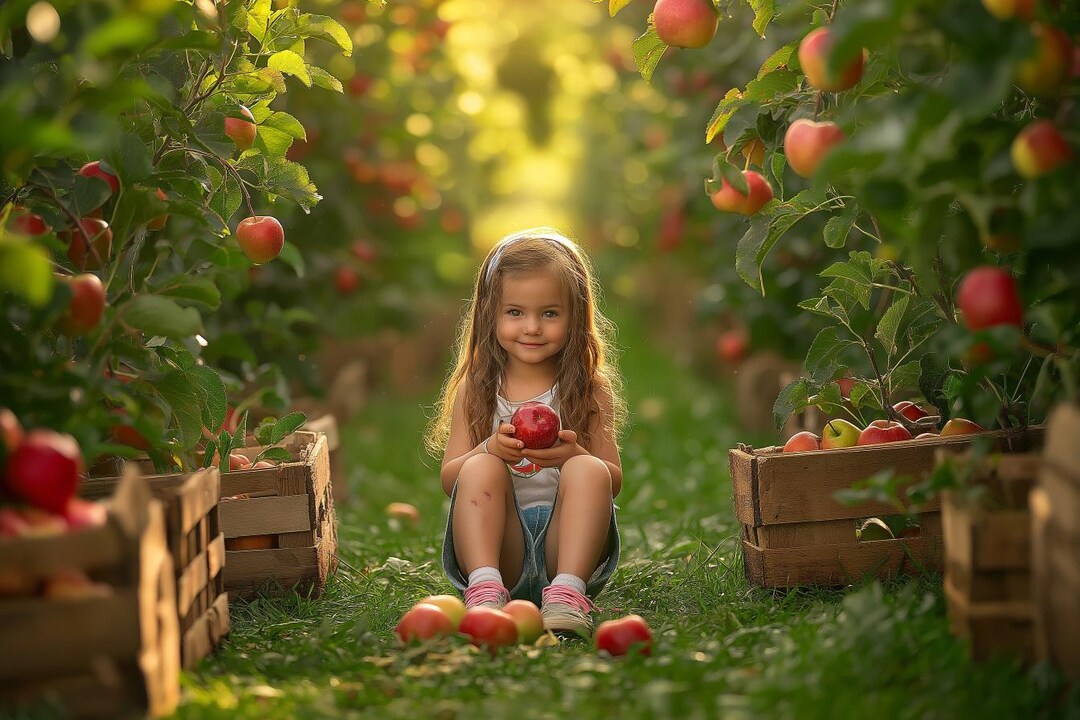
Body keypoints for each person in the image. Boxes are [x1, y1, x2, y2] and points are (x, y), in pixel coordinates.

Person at [425, 227, 627, 637]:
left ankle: (567, 596)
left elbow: (613, 480)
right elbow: (451, 480)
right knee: (479, 467)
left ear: (575, 316)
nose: (532, 327)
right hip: (502, 549)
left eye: (549, 313)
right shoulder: (478, 389)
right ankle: (484, 591)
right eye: (515, 312)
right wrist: (489, 449)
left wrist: (574, 456)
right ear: (490, 315)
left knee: (589, 469)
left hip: (566, 550)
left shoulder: (589, 388)